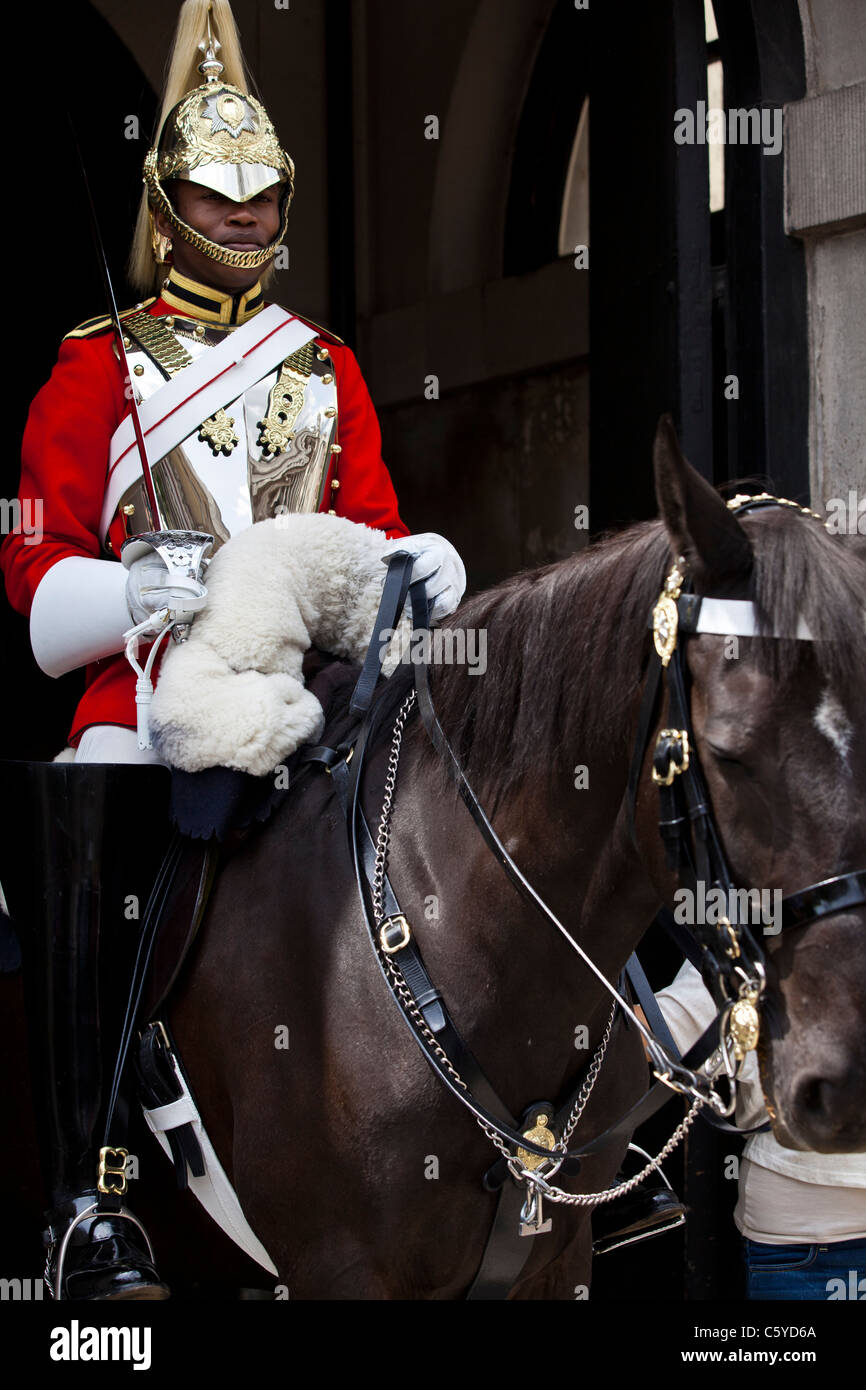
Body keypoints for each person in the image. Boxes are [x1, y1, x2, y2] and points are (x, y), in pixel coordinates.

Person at [0, 0, 465, 1299]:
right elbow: (36, 587)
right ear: (168, 201)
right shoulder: (94, 369)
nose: (247, 216)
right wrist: (154, 581)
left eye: (265, 196)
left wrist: (415, 567)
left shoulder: (326, 366)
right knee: (92, 788)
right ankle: (84, 1199)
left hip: (307, 679)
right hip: (144, 686)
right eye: (220, 194)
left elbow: (365, 525)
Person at [657, 960, 866, 1300]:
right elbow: (676, 1027)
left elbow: (671, 1028)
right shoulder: (763, 913)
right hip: (801, 1227)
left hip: (800, 1221)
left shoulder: (764, 913)